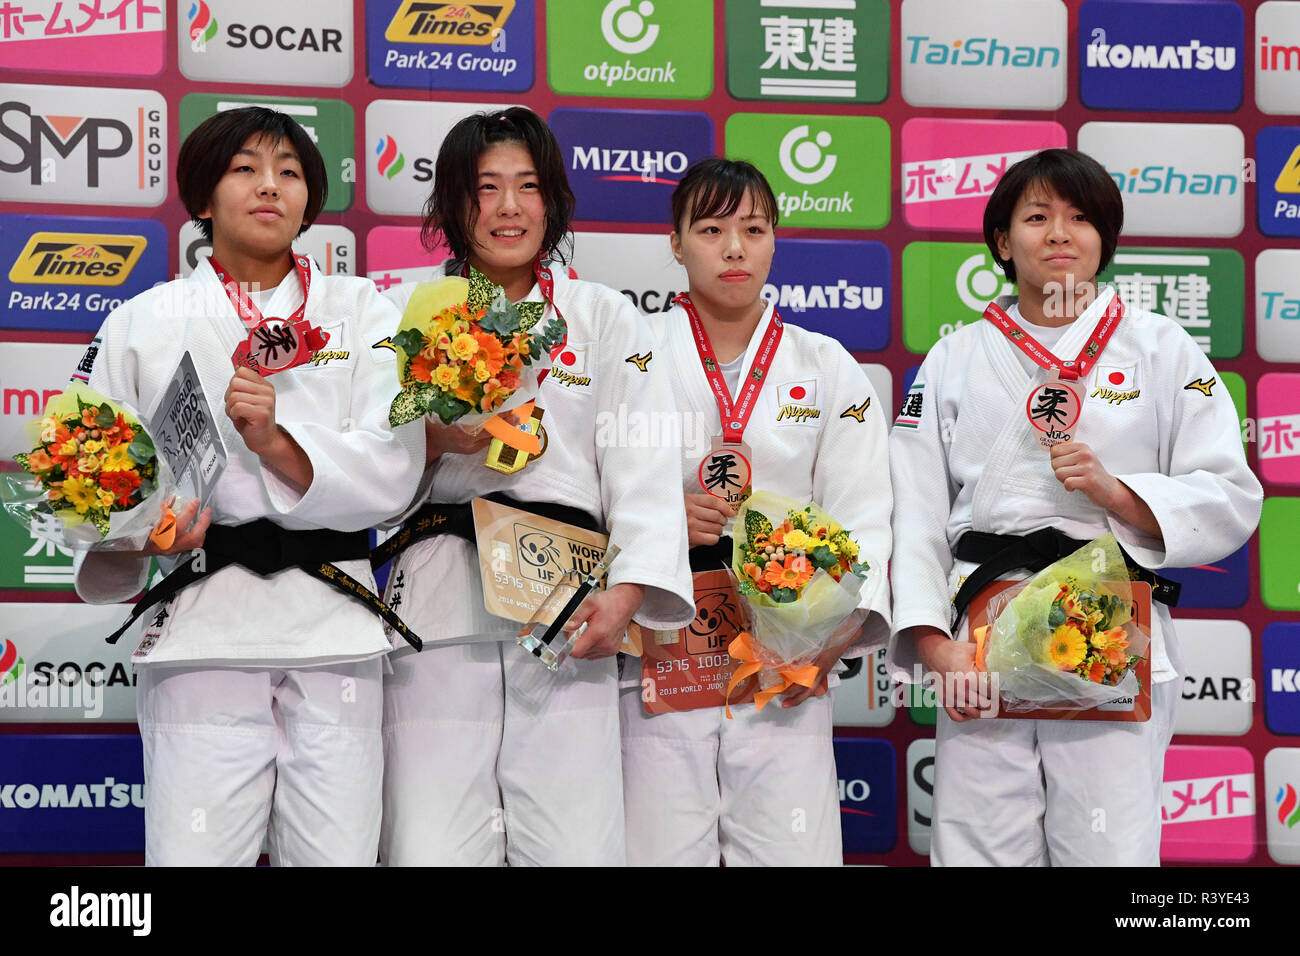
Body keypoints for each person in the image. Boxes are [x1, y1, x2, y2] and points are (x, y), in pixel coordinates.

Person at [888, 148, 1262, 866]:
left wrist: (1115, 492)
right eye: (1037, 217)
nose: (1060, 233)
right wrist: (938, 648)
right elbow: (914, 513)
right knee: (977, 849)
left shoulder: (1161, 349)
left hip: (1110, 630)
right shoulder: (953, 359)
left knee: (1109, 848)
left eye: (1080, 218)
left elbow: (1230, 493)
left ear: (1105, 240)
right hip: (984, 638)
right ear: (1003, 241)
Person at [72, 107, 424, 866]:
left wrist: (276, 444)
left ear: (309, 199)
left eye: (289, 172)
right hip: (204, 628)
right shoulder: (140, 322)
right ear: (202, 198)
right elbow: (90, 481)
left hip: (334, 629)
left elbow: (395, 466)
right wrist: (146, 531)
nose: (270, 187)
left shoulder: (363, 312)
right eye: (246, 169)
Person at [377, 106, 694, 866]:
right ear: (452, 202)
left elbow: (643, 467)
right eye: (485, 188)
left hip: (569, 602)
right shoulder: (401, 316)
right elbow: (366, 468)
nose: (509, 208)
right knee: (430, 841)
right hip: (438, 597)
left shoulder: (606, 319)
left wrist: (626, 597)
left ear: (552, 200)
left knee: (575, 843)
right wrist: (433, 439)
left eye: (527, 186)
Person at [617, 158, 894, 866]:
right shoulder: (629, 356)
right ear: (675, 244)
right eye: (711, 229)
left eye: (754, 228)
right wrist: (657, 520)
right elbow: (589, 495)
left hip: (783, 657)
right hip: (658, 642)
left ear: (775, 241)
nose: (735, 248)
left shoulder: (826, 364)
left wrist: (824, 647)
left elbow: (865, 514)